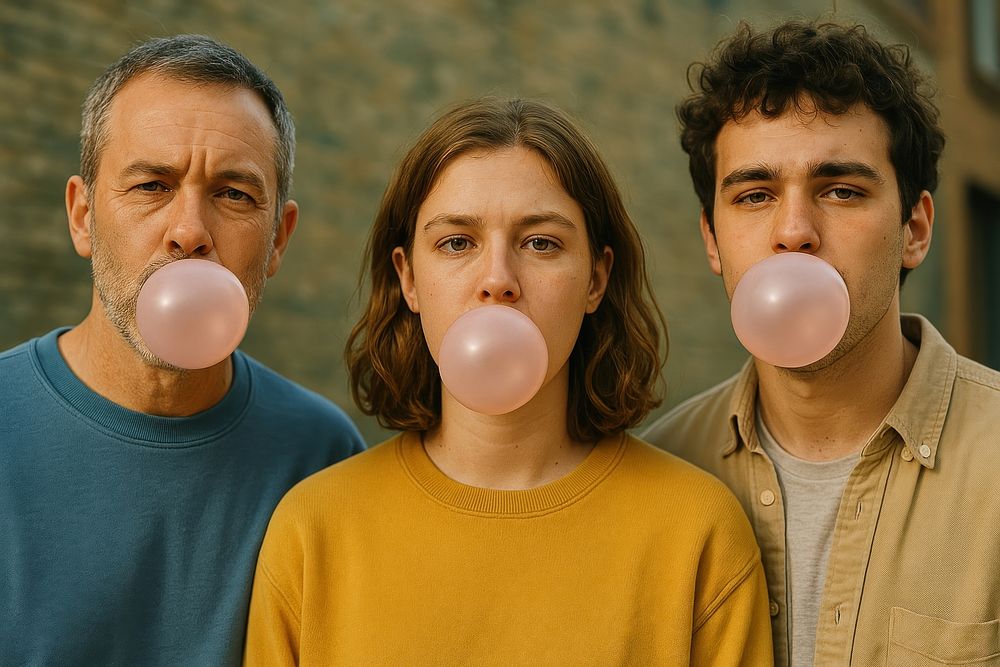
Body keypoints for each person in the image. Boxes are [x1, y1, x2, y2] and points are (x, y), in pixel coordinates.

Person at [243, 97, 773, 665]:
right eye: (456, 242)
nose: (497, 279)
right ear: (409, 279)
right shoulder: (312, 530)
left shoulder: (698, 532)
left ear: (596, 278)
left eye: (541, 242)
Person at [642, 19, 1000, 667]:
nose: (795, 231)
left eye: (841, 190)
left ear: (915, 228)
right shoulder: (656, 478)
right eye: (755, 194)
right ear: (712, 240)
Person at [0, 35, 364, 666]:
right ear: (83, 216)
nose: (190, 231)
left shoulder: (321, 459)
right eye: (151, 185)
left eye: (233, 194)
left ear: (278, 239)